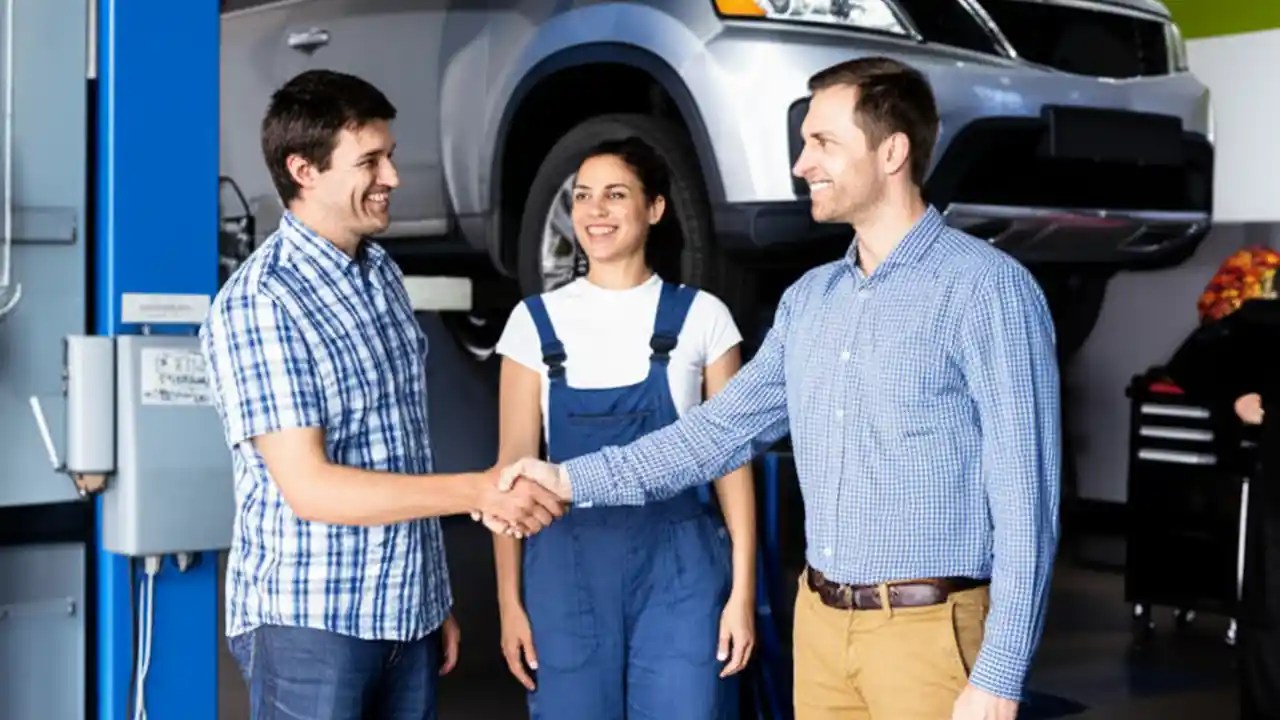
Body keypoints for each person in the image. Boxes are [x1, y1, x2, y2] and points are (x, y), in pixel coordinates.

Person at [495, 56, 1061, 720]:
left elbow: (1030, 502)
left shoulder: (987, 290)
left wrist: (1000, 673)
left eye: (822, 142)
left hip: (929, 636)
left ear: (892, 152)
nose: (801, 164)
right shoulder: (809, 301)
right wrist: (568, 481)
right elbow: (711, 437)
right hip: (820, 629)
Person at [200, 69, 564, 720]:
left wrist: (432, 597)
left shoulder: (382, 275)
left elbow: (397, 448)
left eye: (389, 156)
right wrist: (479, 490)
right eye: (370, 161)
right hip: (313, 626)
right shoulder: (263, 303)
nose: (392, 177)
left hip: (407, 617)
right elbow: (312, 488)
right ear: (304, 170)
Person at [489, 136, 757, 718]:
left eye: (615, 194)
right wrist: (509, 603)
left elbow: (734, 465)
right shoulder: (534, 323)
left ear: (654, 208)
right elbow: (509, 479)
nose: (594, 211)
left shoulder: (703, 317)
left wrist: (742, 594)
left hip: (682, 573)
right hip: (565, 576)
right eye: (583, 196)